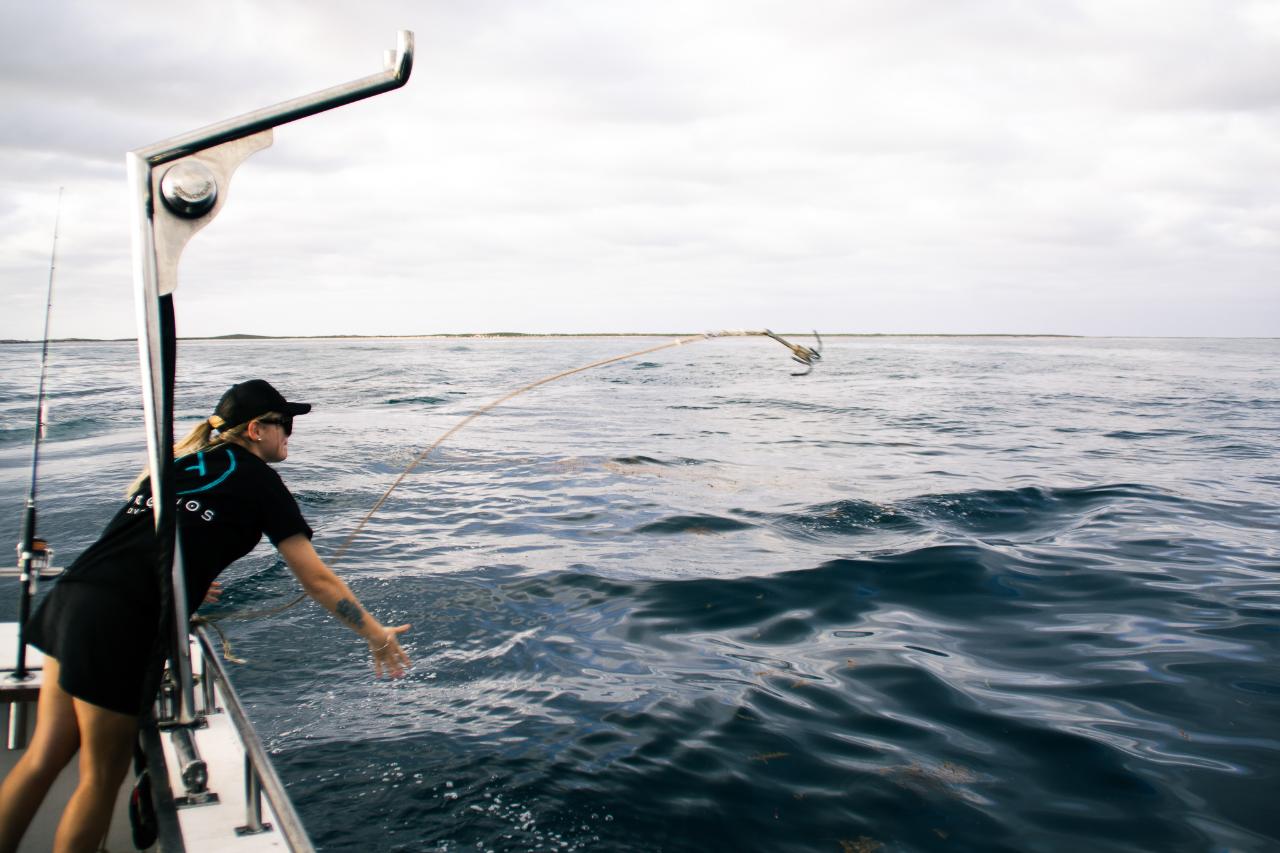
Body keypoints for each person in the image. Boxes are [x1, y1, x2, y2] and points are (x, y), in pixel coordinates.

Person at [0, 379, 410, 852]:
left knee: (42, 759)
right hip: (118, 621)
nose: (289, 436)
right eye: (285, 425)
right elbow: (316, 579)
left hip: (73, 599)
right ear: (256, 429)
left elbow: (144, 543)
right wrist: (374, 633)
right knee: (99, 778)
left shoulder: (174, 465)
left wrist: (190, 578)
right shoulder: (259, 480)